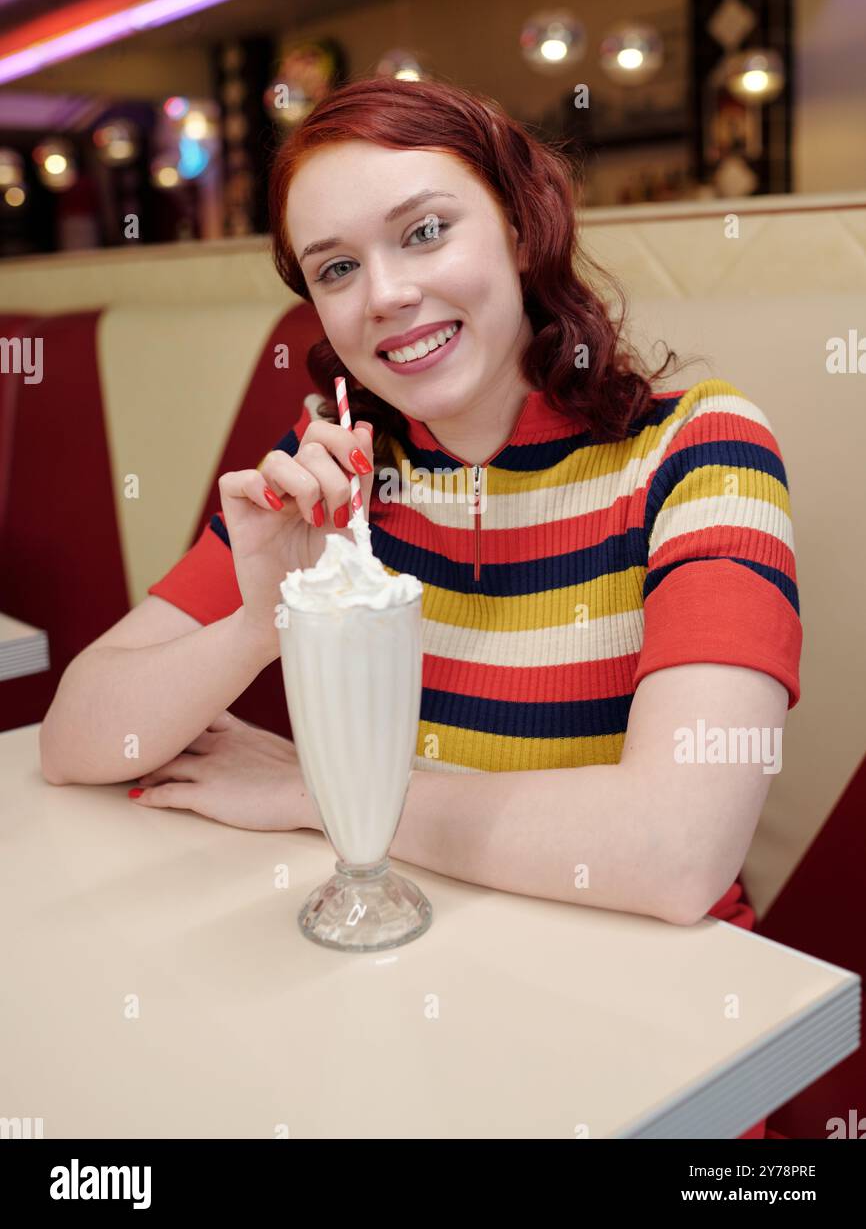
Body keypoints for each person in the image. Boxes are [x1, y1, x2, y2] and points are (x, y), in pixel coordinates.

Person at [40, 78, 801, 1133]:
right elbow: (80, 734)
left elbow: (673, 852)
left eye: (425, 231)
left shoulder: (698, 451)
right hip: (405, 1009)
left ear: (520, 226)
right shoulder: (337, 482)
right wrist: (264, 615)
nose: (384, 294)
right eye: (337, 268)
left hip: (654, 1038)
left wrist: (330, 795)